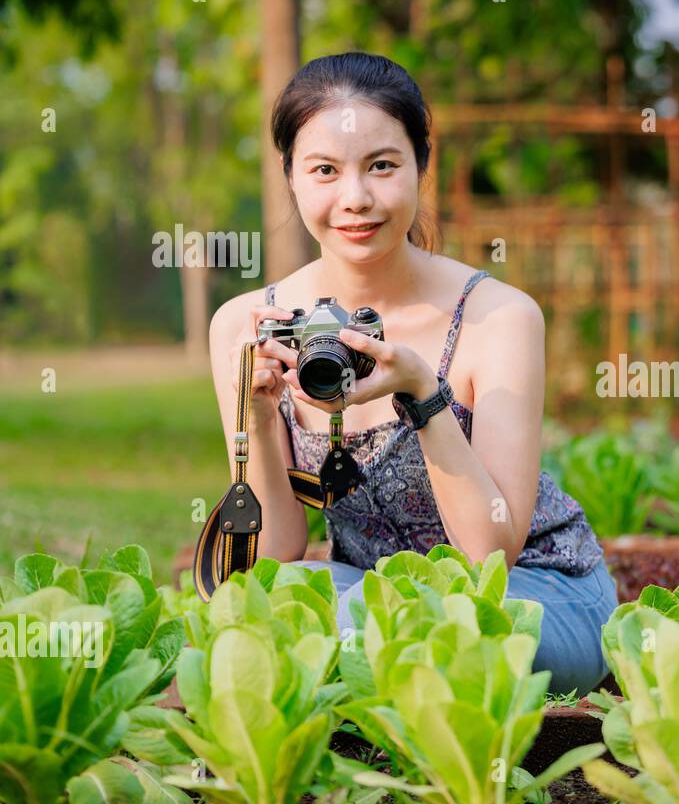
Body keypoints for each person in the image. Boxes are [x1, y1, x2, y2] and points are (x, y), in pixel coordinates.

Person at [207, 52, 616, 696]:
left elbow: (490, 554)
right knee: (263, 608)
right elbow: (276, 552)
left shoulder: (498, 316)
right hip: (374, 601)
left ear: (422, 167)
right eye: (324, 170)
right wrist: (258, 418)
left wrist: (423, 393)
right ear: (289, 176)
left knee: (398, 633)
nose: (356, 199)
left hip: (527, 597)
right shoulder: (246, 325)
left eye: (382, 166)